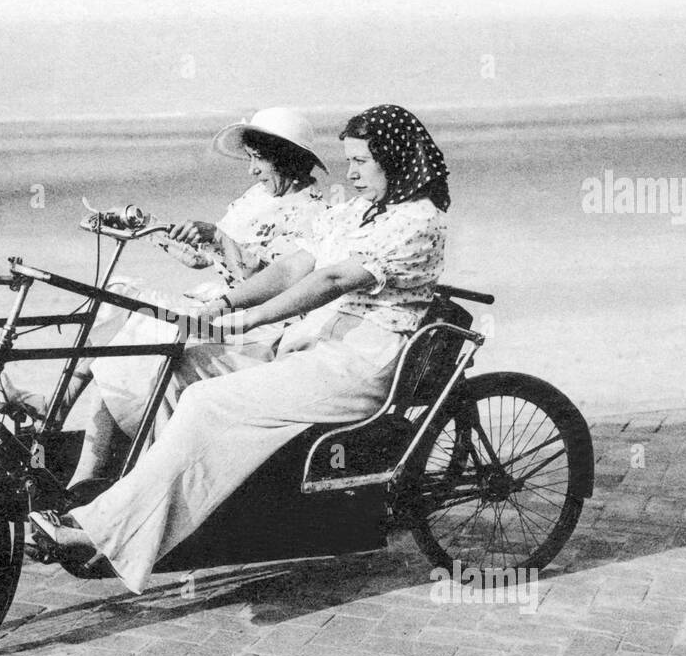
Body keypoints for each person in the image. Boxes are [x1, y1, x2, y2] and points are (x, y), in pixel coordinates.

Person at [30, 104, 451, 593]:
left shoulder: (420, 219)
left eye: (361, 161)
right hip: (313, 341)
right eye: (349, 160)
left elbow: (334, 278)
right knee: (179, 366)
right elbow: (296, 267)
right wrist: (225, 305)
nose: (351, 172)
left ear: (395, 159)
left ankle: (100, 529)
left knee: (207, 402)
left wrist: (248, 318)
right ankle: (176, 513)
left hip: (359, 361)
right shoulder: (360, 210)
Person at [58, 108, 330, 485]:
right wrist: (156, 229)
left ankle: (100, 472)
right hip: (216, 306)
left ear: (287, 157)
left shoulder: (314, 212)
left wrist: (218, 237)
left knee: (141, 333)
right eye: (250, 159)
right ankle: (61, 418)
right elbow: (202, 262)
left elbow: (263, 277)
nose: (252, 170)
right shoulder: (257, 197)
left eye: (259, 159)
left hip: (254, 327)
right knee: (116, 295)